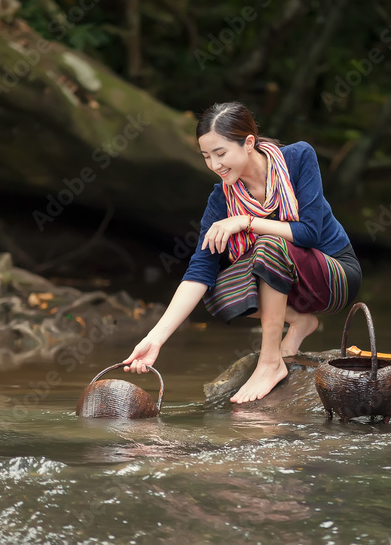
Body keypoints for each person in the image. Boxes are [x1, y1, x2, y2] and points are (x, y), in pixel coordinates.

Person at [122, 102, 362, 403]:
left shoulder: (298, 158)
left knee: (268, 243)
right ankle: (299, 321)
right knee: (216, 290)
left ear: (249, 142)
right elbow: (199, 271)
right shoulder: (220, 198)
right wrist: (154, 339)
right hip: (288, 280)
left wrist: (246, 221)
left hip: (334, 275)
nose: (214, 165)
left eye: (221, 154)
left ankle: (270, 362)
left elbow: (310, 232)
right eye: (206, 156)